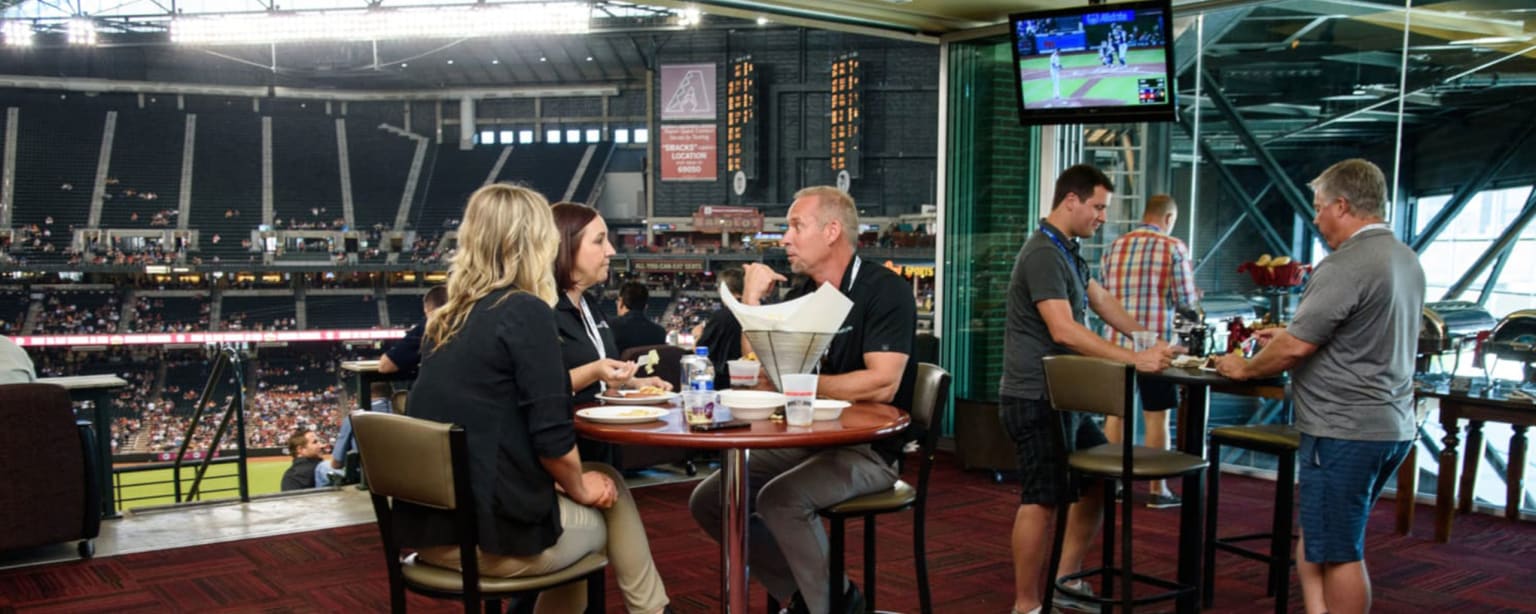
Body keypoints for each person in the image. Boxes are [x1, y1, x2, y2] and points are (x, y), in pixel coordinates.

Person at [395, 184, 672, 614]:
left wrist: (577, 483)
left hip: (431, 530)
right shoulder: (525, 311)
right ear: (532, 242)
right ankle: (654, 611)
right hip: (491, 536)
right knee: (606, 502)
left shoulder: (446, 320)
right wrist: (578, 486)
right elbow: (551, 434)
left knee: (602, 486)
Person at [689, 186, 916, 614]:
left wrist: (797, 384)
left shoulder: (885, 291)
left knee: (780, 499)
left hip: (867, 449)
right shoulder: (800, 297)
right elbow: (756, 372)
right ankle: (806, 594)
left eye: (796, 226)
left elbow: (882, 384)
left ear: (832, 231)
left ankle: (835, 604)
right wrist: (752, 303)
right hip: (810, 440)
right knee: (711, 501)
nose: (785, 238)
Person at [1215, 159, 1422, 614]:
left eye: (1319, 207)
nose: (1315, 217)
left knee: (1340, 551)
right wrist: (1290, 333)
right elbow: (1356, 331)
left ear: (1343, 206)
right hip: (1391, 425)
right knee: (1323, 533)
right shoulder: (1403, 258)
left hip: (1345, 429)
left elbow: (1294, 350)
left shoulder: (1347, 263)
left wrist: (1243, 369)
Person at [1000, 164, 1177, 614]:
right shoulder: (1043, 253)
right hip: (1034, 397)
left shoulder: (1068, 250)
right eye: (1098, 207)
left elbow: (1101, 301)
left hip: (1064, 399)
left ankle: (1065, 583)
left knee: (1098, 481)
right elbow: (1064, 331)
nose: (1102, 216)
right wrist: (1134, 358)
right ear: (1070, 201)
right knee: (1042, 500)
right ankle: (1026, 605)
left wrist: (1148, 340)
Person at [1098, 194, 1200, 508]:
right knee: (1157, 416)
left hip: (1115, 345)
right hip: (1154, 348)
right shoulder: (1173, 247)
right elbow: (1186, 301)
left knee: (1115, 415)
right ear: (1169, 219)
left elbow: (1101, 293)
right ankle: (1159, 490)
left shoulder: (1114, 246)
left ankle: (1113, 483)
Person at [550, 202, 670, 406]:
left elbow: (600, 379)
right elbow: (539, 386)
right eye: (599, 241)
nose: (611, 250)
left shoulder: (589, 305)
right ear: (567, 247)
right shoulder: (543, 309)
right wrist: (594, 371)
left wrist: (635, 384)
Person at [692, 268, 745, 390]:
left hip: (724, 382)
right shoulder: (754, 308)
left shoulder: (722, 316)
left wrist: (697, 335)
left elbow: (701, 352)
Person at [377, 285, 447, 374]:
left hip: (437, 385)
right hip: (465, 385)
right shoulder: (467, 324)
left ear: (426, 310)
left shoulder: (431, 324)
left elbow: (385, 366)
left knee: (378, 385)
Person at [610, 281, 667, 354]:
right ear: (645, 306)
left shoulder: (611, 327)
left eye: (617, 301)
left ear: (621, 301)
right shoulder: (660, 332)